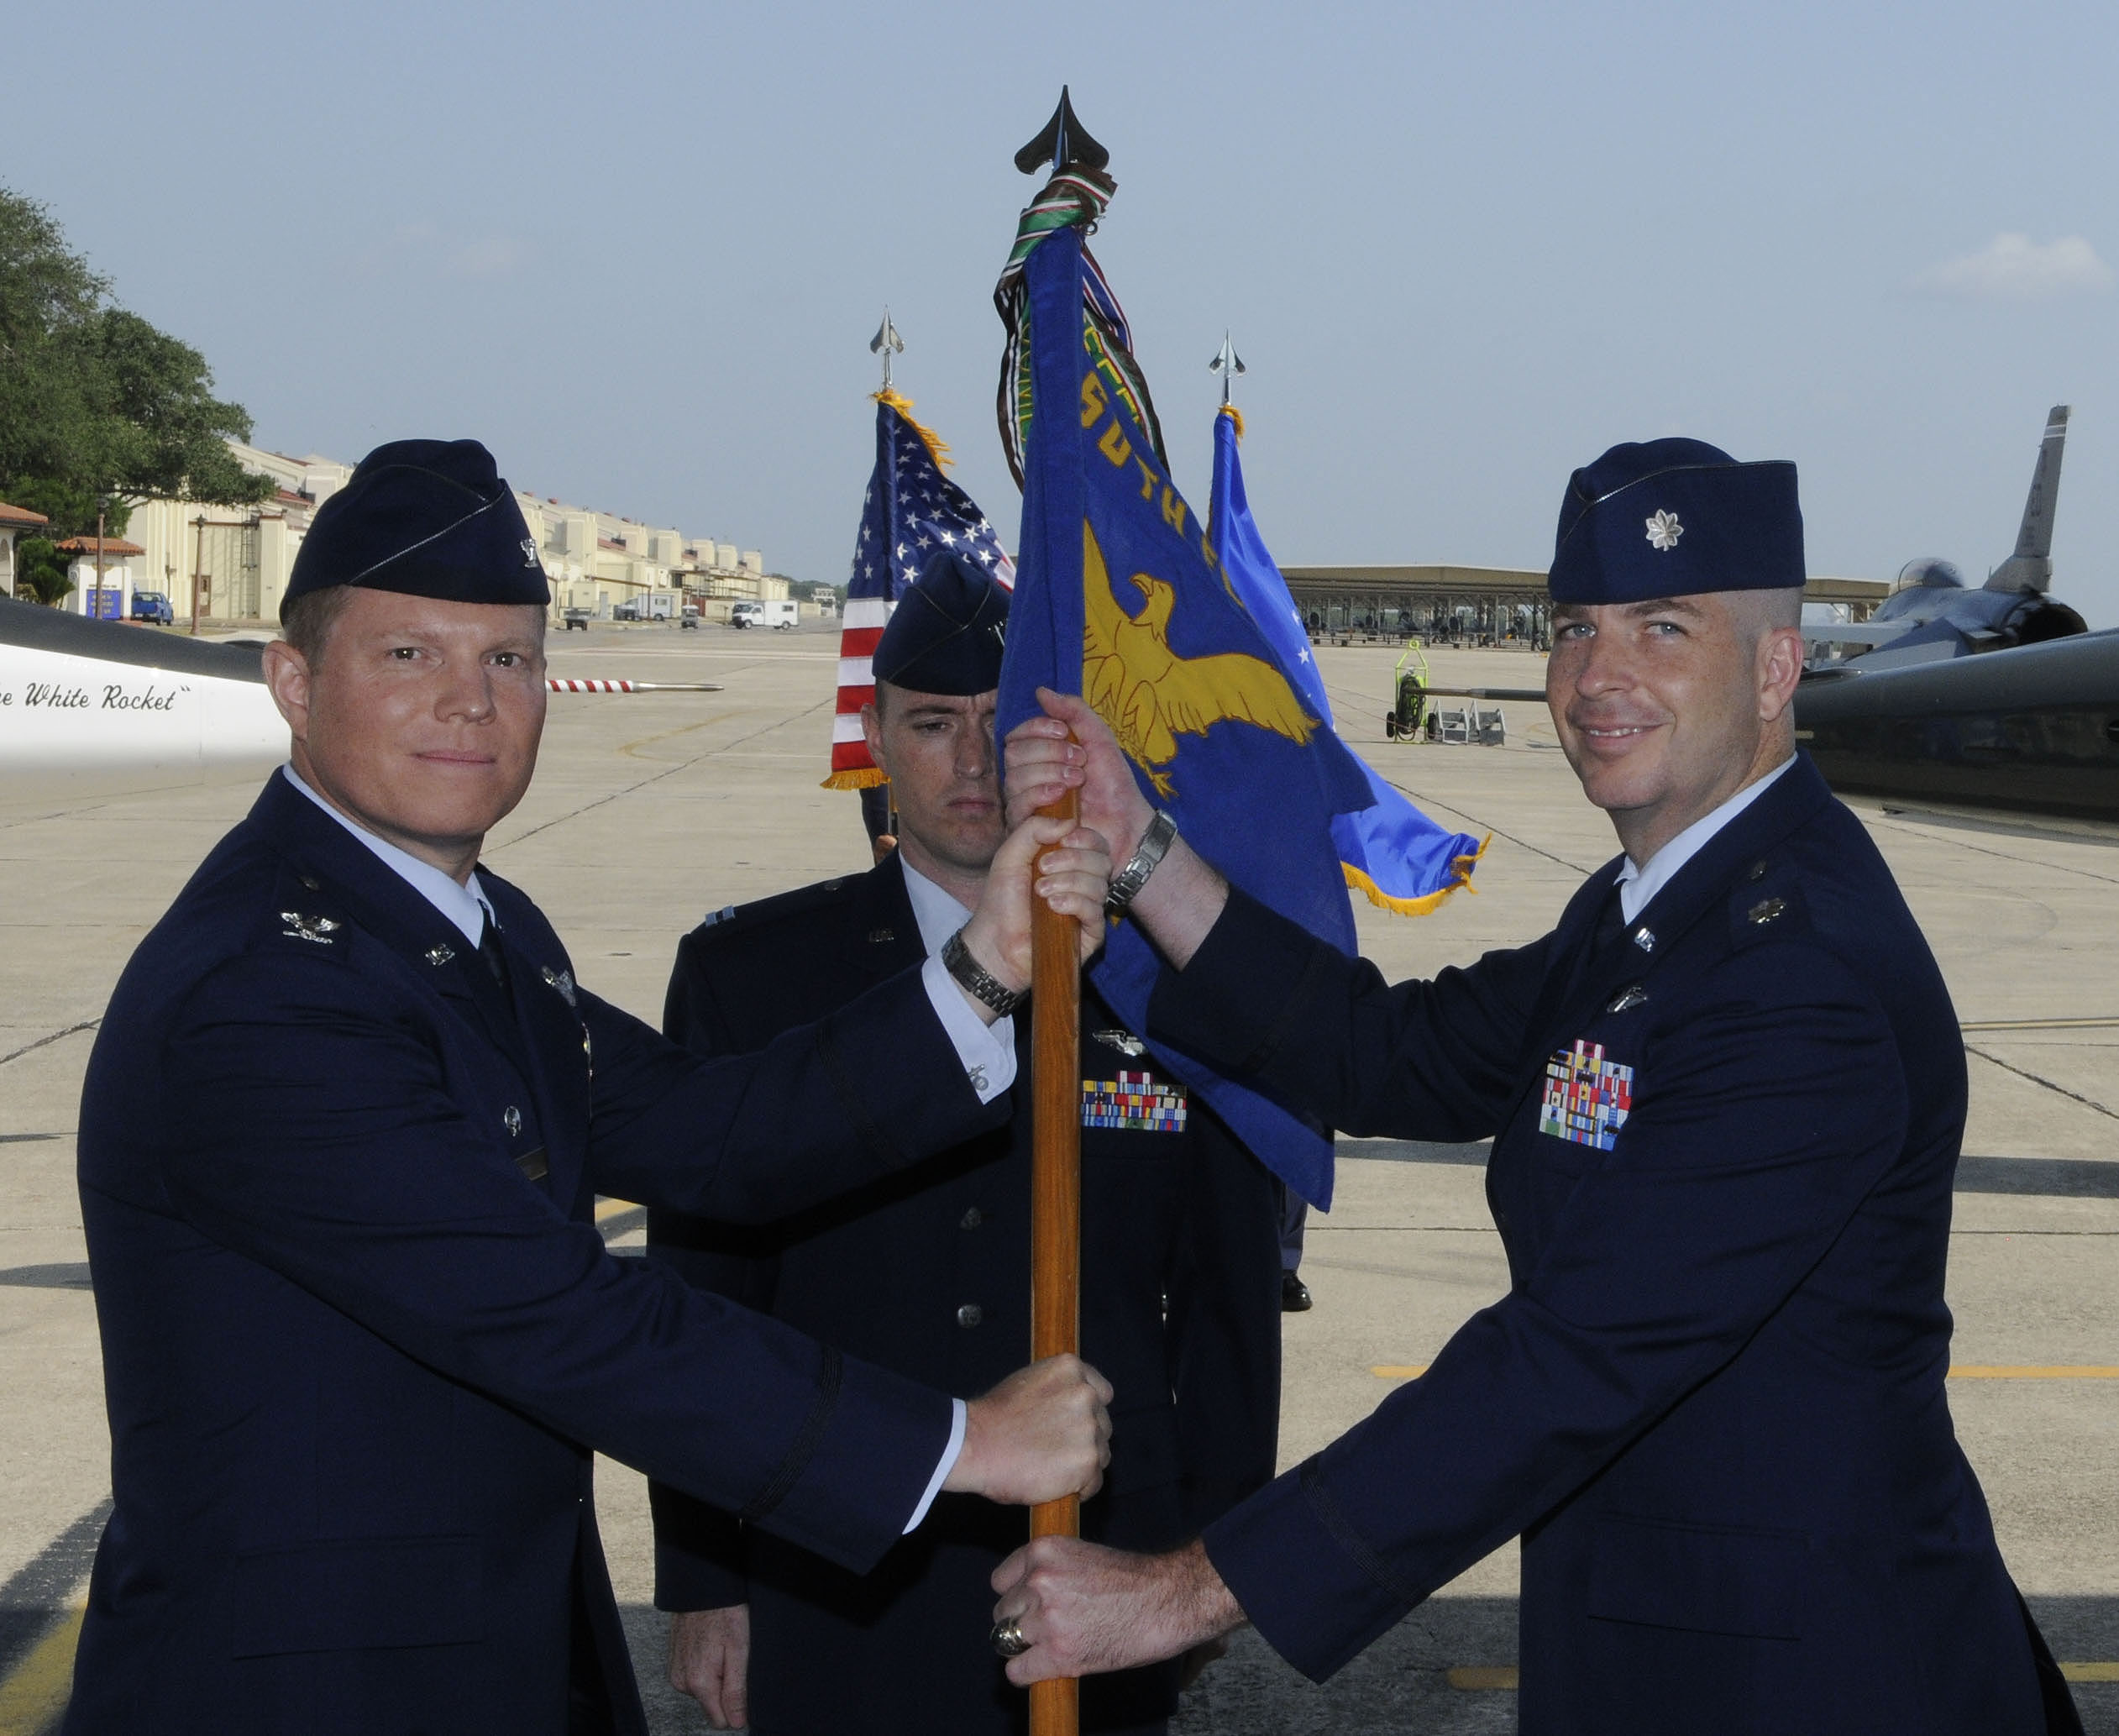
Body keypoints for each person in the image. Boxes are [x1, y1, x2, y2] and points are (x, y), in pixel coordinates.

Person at [992, 440, 2084, 1734]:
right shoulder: (1652, 915)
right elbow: (1387, 1048)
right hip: (1666, 1649)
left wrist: (1183, 1592)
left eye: (1662, 627)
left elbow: (1563, 1363)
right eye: (1575, 628)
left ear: (1779, 667)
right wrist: (1142, 850)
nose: (1597, 676)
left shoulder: (1803, 977)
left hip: (1805, 1676)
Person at [66, 440, 1118, 1736]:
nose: (471, 702)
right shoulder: (265, 996)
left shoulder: (469, 928)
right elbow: (563, 1317)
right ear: (293, 680)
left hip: (481, 1657)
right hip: (305, 1682)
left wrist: (988, 963)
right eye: (411, 654)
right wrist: (957, 1444)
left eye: (506, 659)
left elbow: (710, 1129)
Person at [648, 550, 1284, 1736]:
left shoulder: (1170, 981)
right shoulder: (757, 980)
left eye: (1005, 721)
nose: (975, 759)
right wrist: (702, 1580)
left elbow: (1226, 1300)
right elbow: (703, 1297)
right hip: (832, 1553)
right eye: (933, 723)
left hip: (1103, 1554)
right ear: (875, 740)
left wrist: (1208, 1567)